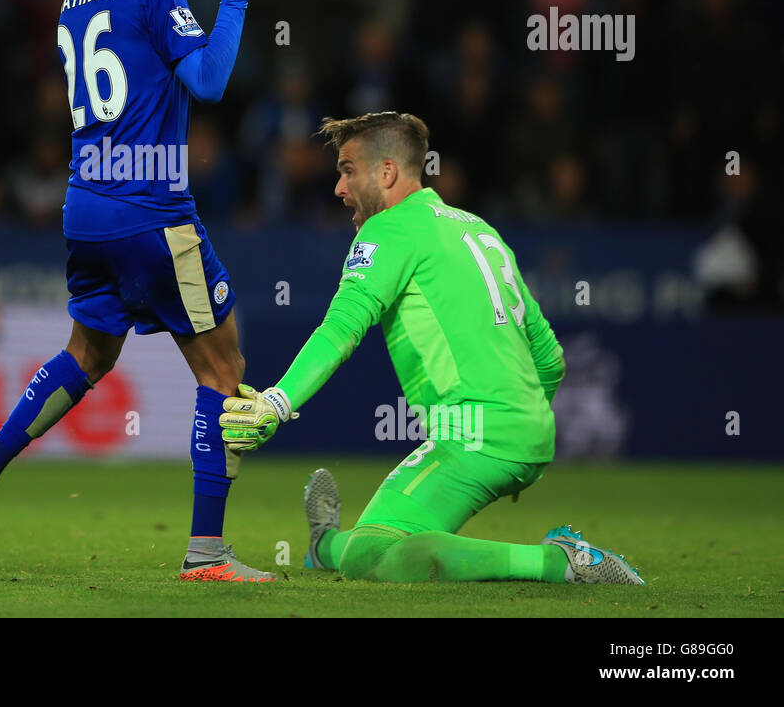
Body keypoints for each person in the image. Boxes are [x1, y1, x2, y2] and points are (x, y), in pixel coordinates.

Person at [0, 0, 273, 581]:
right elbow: (208, 79)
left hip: (86, 205)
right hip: (151, 206)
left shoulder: (70, 4)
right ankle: (207, 553)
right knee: (224, 369)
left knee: (87, 355)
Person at [219, 111, 644, 584]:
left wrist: (277, 403)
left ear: (386, 173)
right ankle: (325, 546)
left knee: (373, 557)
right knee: (380, 543)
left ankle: (559, 562)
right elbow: (550, 357)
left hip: (473, 435)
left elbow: (341, 329)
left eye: (346, 170)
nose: (339, 189)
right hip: (525, 431)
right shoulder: (477, 228)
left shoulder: (391, 230)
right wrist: (524, 428)